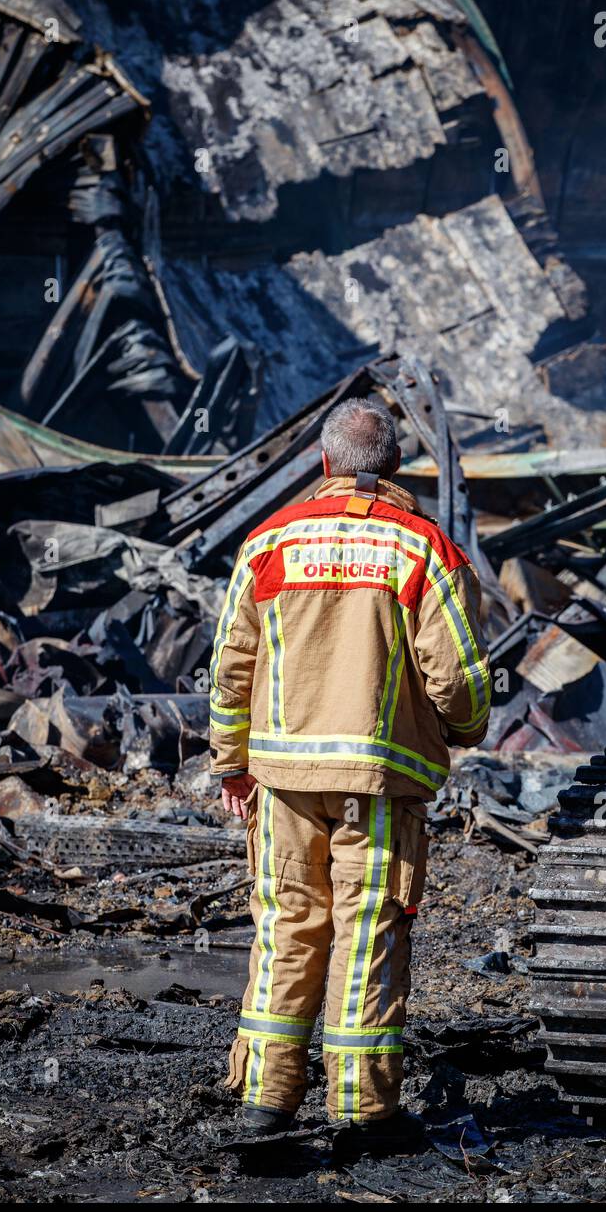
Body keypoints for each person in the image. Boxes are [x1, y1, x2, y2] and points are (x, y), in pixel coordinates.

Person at [209, 396, 492, 1139]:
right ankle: (363, 1111)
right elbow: (458, 675)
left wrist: (231, 765)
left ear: (324, 465)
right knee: (366, 929)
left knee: (287, 927)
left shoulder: (267, 543)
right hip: (377, 781)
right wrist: (463, 730)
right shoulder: (422, 548)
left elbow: (231, 666)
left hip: (280, 783)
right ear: (394, 469)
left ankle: (265, 1105)